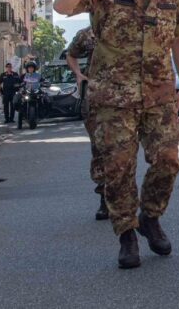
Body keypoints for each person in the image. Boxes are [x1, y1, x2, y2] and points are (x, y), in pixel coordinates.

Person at [53, 0, 179, 270]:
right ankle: (126, 234)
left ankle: (151, 216)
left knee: (168, 160)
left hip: (159, 95)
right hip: (113, 98)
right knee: (117, 170)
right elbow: (62, 4)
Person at [66, 25, 108, 221]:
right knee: (99, 148)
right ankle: (105, 198)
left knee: (124, 149)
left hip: (123, 98)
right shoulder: (86, 33)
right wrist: (78, 74)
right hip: (94, 98)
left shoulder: (126, 21)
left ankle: (124, 197)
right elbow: (71, 54)